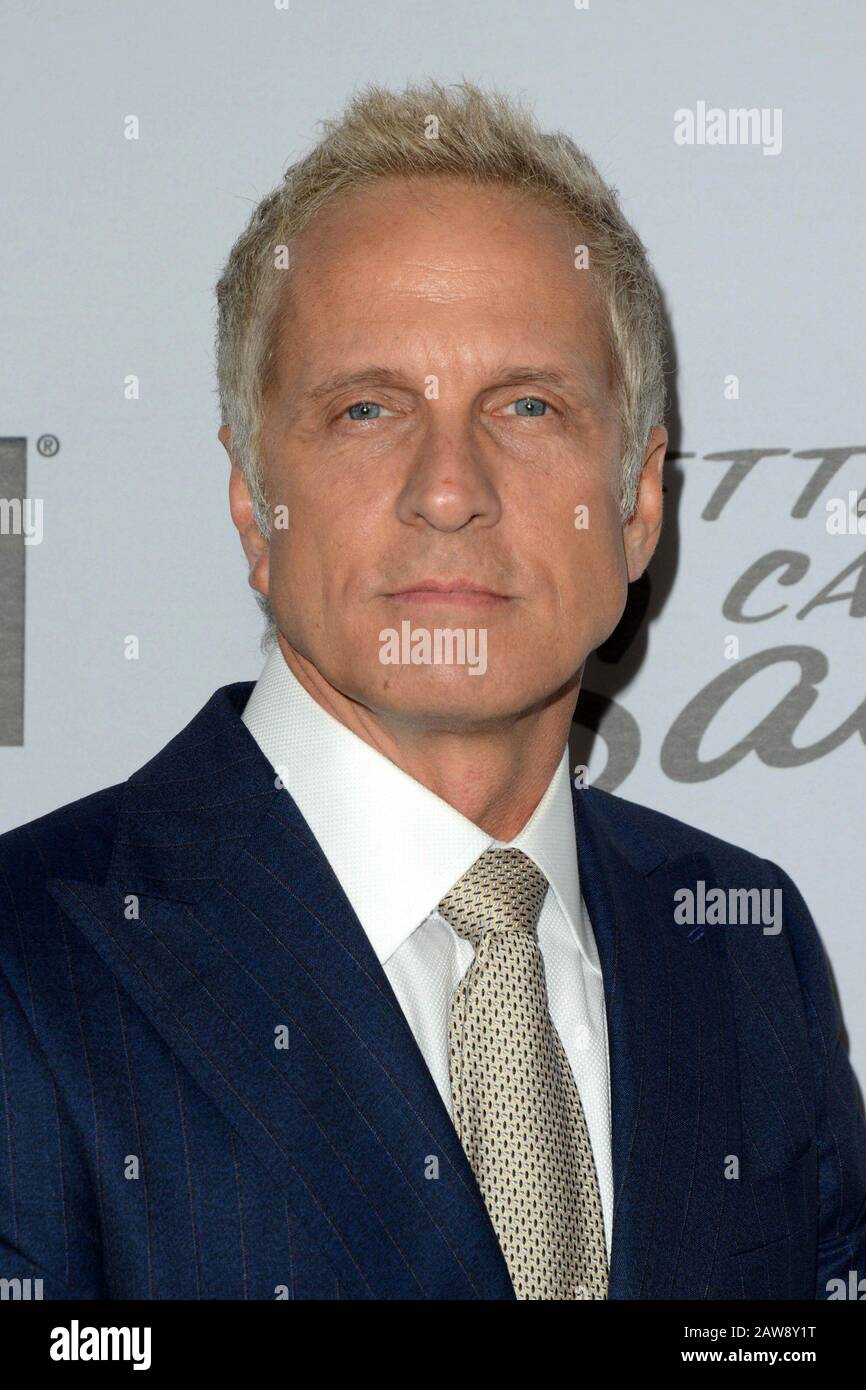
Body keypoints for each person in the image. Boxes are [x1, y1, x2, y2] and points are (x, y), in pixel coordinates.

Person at [1, 80, 863, 1301]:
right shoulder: (28, 961)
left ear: (636, 503)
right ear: (255, 504)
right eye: (367, 408)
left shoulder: (741, 943)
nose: (448, 487)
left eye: (526, 405)